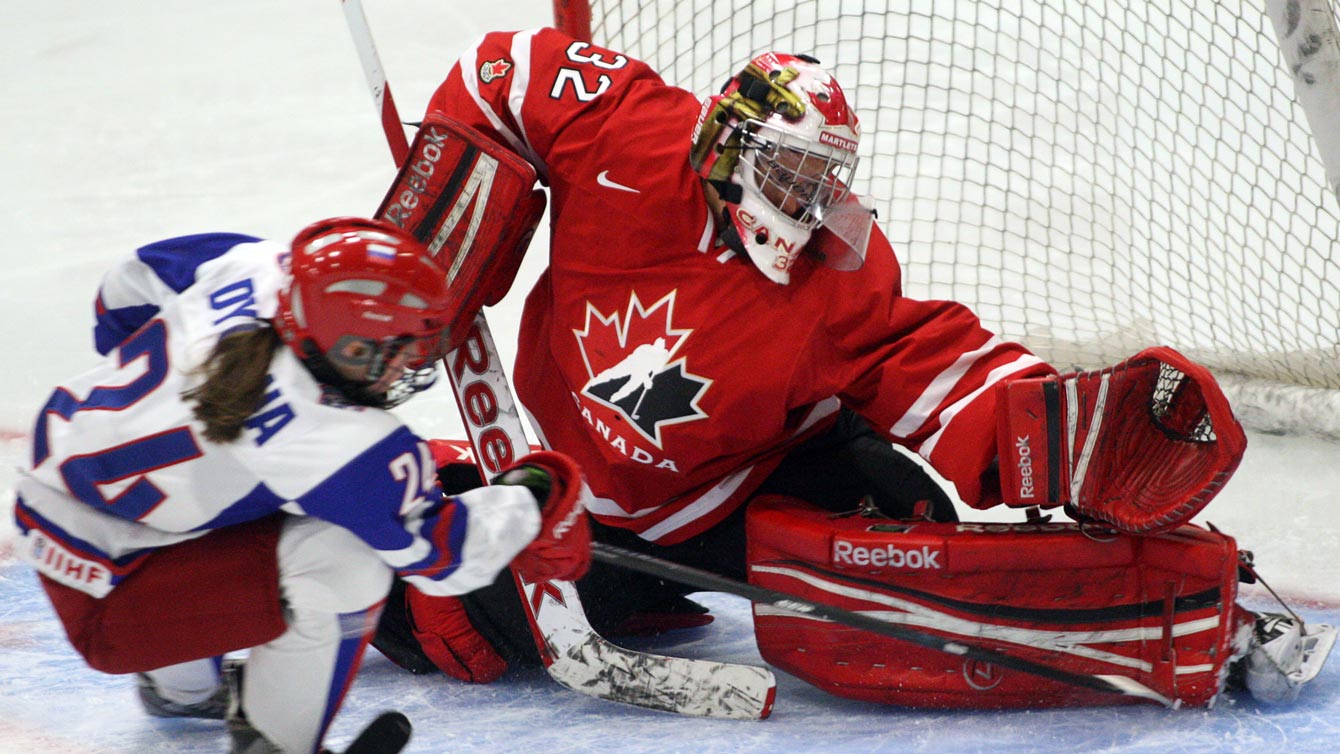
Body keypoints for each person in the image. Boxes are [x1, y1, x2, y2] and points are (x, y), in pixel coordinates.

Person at [370, 28, 1331, 708]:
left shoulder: (836, 267)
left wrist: (1055, 429)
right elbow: (507, 71)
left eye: (824, 177)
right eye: (792, 175)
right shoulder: (632, 137)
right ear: (728, 149)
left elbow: (922, 356)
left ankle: (654, 582)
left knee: (909, 542)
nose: (810, 199)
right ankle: (428, 499)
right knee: (442, 626)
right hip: (596, 498)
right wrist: (452, 207)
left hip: (760, 484)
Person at [13, 217, 590, 754]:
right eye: (398, 351)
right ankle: (277, 740)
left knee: (225, 492)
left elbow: (127, 285)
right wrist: (535, 494)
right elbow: (440, 558)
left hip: (61, 488)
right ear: (352, 347)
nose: (406, 366)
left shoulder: (257, 268)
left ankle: (182, 690)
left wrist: (149, 400)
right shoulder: (335, 438)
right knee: (345, 557)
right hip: (107, 605)